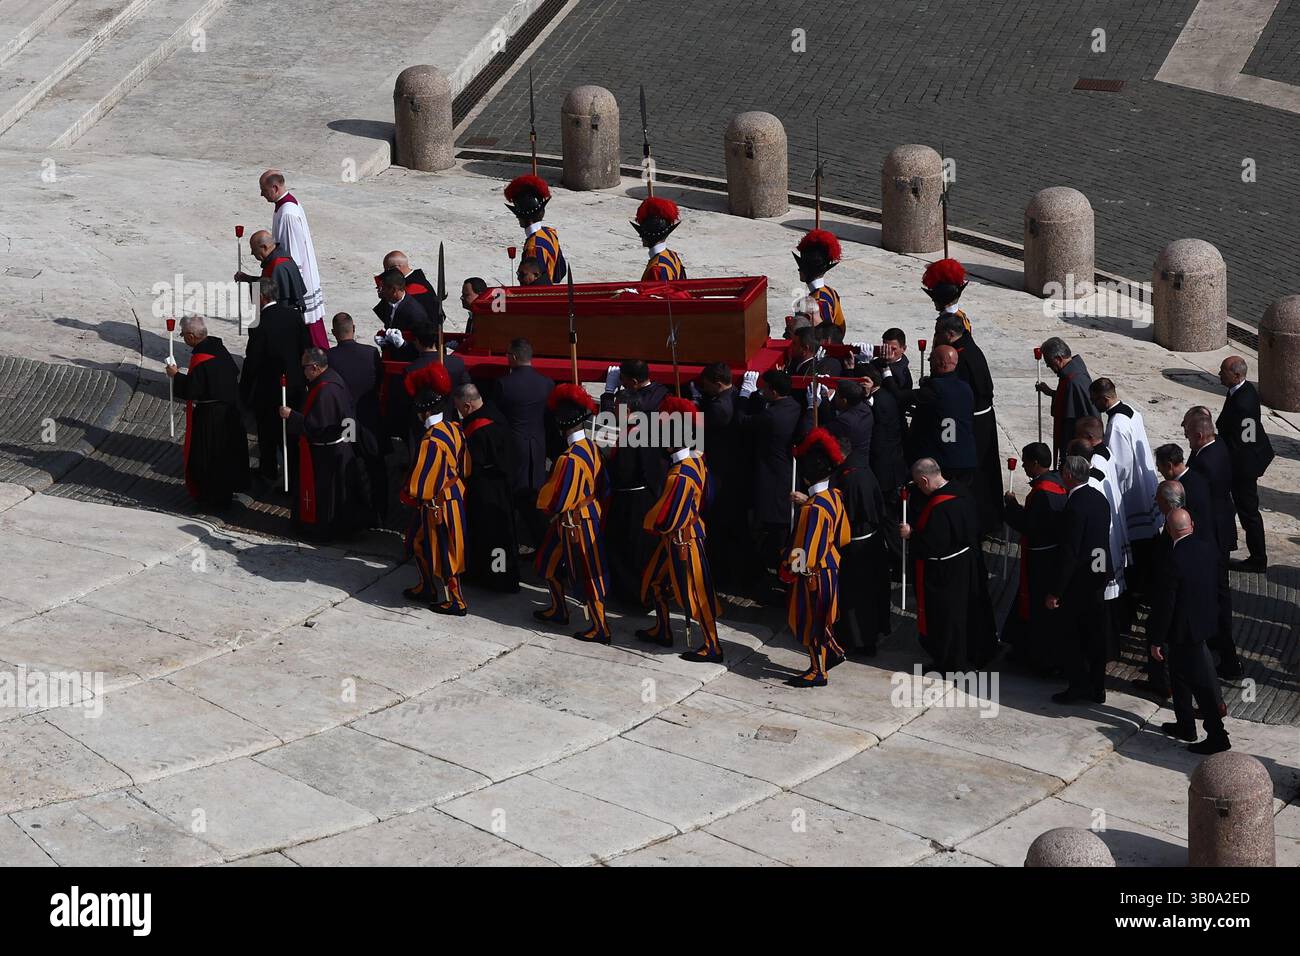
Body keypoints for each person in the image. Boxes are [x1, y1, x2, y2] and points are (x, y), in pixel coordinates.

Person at [636, 396, 721, 662]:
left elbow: (666, 516)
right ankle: (663, 629)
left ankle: (713, 646)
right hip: (677, 537)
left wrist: (648, 522)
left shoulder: (681, 473)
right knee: (655, 583)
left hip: (684, 539)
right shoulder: (695, 461)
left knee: (697, 593)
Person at [1146, 508, 1230, 754]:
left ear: (1169, 530)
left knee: (1201, 685)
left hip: (1184, 632)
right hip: (1202, 624)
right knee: (1180, 677)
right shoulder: (1206, 549)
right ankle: (1185, 724)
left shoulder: (1172, 559)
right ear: (1191, 524)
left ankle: (1217, 735)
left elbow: (1166, 605)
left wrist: (1156, 639)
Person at [899, 458, 995, 670]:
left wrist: (911, 534)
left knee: (947, 620)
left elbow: (933, 544)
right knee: (966, 614)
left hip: (946, 572)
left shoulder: (939, 508)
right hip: (968, 563)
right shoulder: (962, 491)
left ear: (924, 480)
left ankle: (949, 664)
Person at [534, 384, 611, 643]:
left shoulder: (568, 458)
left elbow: (557, 499)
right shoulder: (592, 447)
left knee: (589, 572)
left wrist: (544, 507)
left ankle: (600, 627)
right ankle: (559, 609)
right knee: (547, 563)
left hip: (577, 522)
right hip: (580, 516)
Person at [782, 429, 851, 686]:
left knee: (812, 621)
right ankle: (832, 653)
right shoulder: (834, 496)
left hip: (814, 574)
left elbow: (806, 552)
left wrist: (790, 567)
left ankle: (817, 671)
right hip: (831, 566)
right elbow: (843, 535)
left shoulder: (813, 508)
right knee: (824, 620)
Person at [600, 359, 669, 604]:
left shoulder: (629, 437)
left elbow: (604, 443)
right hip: (647, 492)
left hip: (631, 498)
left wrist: (608, 395)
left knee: (628, 549)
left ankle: (633, 597)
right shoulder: (647, 426)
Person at [1045, 454, 1112, 705]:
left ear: (1069, 476)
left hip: (1079, 582)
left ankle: (1078, 686)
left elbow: (1071, 552)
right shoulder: (1099, 499)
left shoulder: (1074, 507)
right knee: (1095, 636)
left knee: (1073, 637)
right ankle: (1097, 687)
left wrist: (1056, 591)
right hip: (1098, 575)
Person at [403, 364, 468, 615]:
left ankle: (456, 600)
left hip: (439, 503)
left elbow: (421, 484)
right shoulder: (454, 428)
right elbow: (466, 465)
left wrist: (410, 492)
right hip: (454, 495)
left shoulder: (431, 440)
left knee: (445, 550)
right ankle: (426, 586)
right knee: (422, 544)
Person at [279, 347, 364, 540]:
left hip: (327, 453)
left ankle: (322, 531)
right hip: (338, 448)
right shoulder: (332, 378)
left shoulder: (326, 390)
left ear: (315, 367)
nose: (303, 372)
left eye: (305, 368)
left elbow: (317, 427)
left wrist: (291, 415)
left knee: (325, 496)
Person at [165, 316, 249, 509]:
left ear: (192, 336)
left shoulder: (202, 359)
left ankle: (210, 499)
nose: (184, 339)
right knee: (227, 457)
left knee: (208, 458)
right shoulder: (217, 347)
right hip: (230, 411)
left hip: (211, 417)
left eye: (184, 335)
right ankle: (224, 495)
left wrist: (175, 375)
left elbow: (193, 389)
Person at [1184, 412, 1243, 680]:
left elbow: (1199, 501)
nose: (1185, 436)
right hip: (1220, 530)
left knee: (1218, 594)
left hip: (1213, 536)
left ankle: (1229, 659)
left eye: (1187, 432)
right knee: (1219, 592)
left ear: (1199, 435)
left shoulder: (1205, 462)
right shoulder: (1217, 446)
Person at [1091, 378, 1160, 599]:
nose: (1095, 406)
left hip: (1132, 494)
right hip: (1145, 485)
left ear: (1104, 398)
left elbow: (1120, 466)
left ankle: (1141, 590)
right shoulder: (1130, 410)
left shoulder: (1116, 425)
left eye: (1095, 401)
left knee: (1139, 546)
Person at [737, 368, 802, 602]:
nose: (761, 391)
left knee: (776, 537)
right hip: (784, 475)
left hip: (772, 482)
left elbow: (743, 421)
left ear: (774, 392)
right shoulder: (793, 405)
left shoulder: (771, 416)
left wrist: (744, 396)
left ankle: (780, 581)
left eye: (764, 388)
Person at [1001, 441, 1066, 671]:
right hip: (1050, 554)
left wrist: (1011, 507)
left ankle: (1035, 657)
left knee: (1036, 607)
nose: (1024, 468)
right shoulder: (1057, 482)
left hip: (1040, 559)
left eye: (1026, 463)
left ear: (1036, 463)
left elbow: (1030, 525)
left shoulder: (1042, 493)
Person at [935, 313, 1000, 535]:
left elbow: (957, 393)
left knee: (975, 473)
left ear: (949, 334)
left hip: (974, 421)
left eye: (939, 333)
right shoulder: (970, 346)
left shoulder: (961, 356)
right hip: (983, 416)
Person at [240, 277, 309, 484]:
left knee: (268, 433)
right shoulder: (294, 316)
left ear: (261, 297)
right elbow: (306, 348)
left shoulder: (258, 323)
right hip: (295, 385)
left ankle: (268, 470)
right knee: (291, 433)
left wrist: (244, 390)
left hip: (268, 389)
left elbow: (253, 361)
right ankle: (294, 472)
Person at [454, 383, 519, 593]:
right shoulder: (495, 414)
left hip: (485, 489)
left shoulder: (478, 428)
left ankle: (493, 578)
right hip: (502, 487)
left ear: (467, 405)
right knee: (502, 535)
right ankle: (502, 576)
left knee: (488, 536)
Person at [489, 338, 554, 542]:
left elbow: (495, 417)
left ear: (514, 357)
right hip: (537, 444)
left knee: (512, 493)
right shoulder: (547, 383)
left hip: (513, 444)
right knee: (534, 490)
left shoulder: (503, 384)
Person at [831, 434, 891, 656]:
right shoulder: (862, 470)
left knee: (857, 598)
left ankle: (859, 640)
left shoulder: (851, 479)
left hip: (857, 548)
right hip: (870, 542)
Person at [884, 344, 976, 485]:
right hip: (965, 459)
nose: (929, 363)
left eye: (931, 360)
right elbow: (947, 411)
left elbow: (899, 396)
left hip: (943, 461)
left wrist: (886, 369)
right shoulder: (965, 388)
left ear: (941, 363)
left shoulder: (936, 388)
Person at [1217, 355, 1274, 572]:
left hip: (1244, 467)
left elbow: (1246, 441)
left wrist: (1234, 468)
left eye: (1223, 371)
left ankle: (1258, 558)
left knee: (1248, 512)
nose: (1220, 374)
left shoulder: (1244, 403)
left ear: (1237, 375)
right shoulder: (1241, 391)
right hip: (1243, 461)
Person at [328, 312, 387, 521]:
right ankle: (380, 511)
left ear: (334, 333)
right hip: (369, 418)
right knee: (375, 465)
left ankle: (354, 512)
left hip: (346, 421)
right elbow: (381, 382)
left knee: (350, 464)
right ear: (354, 329)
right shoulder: (371, 353)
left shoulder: (329, 357)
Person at [695, 362, 748, 593]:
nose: (703, 389)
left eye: (706, 386)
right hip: (733, 472)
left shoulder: (719, 408)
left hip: (720, 472)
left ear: (718, 384)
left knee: (719, 528)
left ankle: (720, 575)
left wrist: (696, 403)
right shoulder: (733, 395)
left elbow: (700, 427)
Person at [259, 170, 327, 348]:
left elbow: (293, 255)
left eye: (264, 190)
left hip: (297, 284)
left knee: (307, 332)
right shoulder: (285, 205)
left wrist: (290, 289)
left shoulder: (287, 213)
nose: (261, 194)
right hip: (295, 277)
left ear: (275, 187)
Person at [1036, 337, 1097, 466]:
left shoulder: (1075, 380)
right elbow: (1069, 401)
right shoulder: (1069, 374)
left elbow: (1087, 415)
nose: (1048, 366)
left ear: (1058, 359)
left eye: (1049, 362)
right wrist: (1052, 393)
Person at [504, 174, 566, 284]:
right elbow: (560, 272)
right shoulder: (550, 233)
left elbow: (532, 282)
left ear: (522, 217)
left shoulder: (533, 247)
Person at [235, 230, 308, 320]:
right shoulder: (278, 256)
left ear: (264, 247)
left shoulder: (278, 266)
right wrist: (248, 278)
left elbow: (280, 299)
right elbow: (269, 284)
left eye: (254, 250)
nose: (252, 253)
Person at [792, 229, 845, 342]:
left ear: (808, 271)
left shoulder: (819, 301)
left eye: (801, 267)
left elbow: (825, 336)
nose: (798, 270)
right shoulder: (831, 291)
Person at [373, 268, 429, 352]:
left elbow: (422, 348)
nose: (380, 292)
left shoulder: (415, 313)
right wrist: (385, 341)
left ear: (394, 290)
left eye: (383, 289)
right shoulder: (388, 303)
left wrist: (403, 344)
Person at [632, 197, 686, 281]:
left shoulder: (657, 269)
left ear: (650, 237)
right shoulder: (672, 255)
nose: (640, 237)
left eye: (642, 234)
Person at [822, 380, 872, 469]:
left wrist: (822, 402)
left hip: (848, 468)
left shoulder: (844, 421)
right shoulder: (866, 410)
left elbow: (821, 432)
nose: (835, 397)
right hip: (863, 463)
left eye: (837, 395)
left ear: (844, 401)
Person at [374, 251, 436, 318]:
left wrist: (386, 294)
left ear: (397, 268)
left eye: (387, 270)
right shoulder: (417, 280)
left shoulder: (415, 287)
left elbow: (396, 311)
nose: (386, 273)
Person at [920, 258, 971, 333]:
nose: (933, 301)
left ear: (943, 301)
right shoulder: (962, 315)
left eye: (935, 299)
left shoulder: (946, 323)